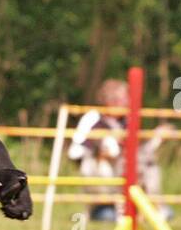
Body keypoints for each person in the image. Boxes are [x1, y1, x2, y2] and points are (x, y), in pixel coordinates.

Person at [67, 78, 172, 221]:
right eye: (124, 100)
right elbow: (76, 152)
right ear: (110, 102)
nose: (128, 103)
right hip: (100, 174)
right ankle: (116, 211)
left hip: (125, 170)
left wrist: (157, 137)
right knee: (108, 166)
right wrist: (101, 150)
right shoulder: (93, 118)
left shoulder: (127, 121)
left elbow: (139, 148)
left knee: (148, 166)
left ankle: (150, 207)